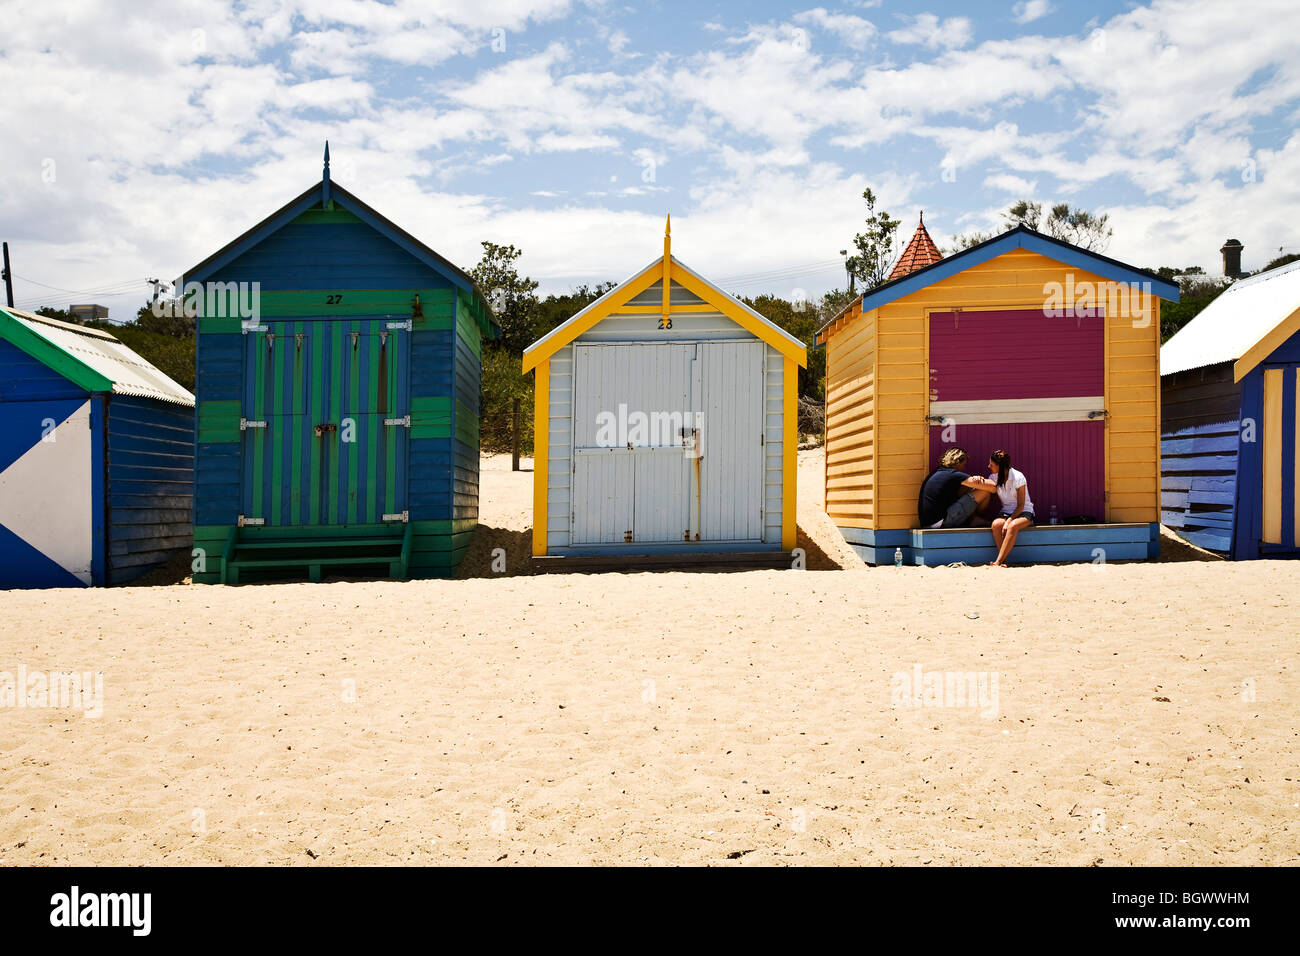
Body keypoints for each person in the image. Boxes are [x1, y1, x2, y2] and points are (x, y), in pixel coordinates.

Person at [917, 447, 997, 529]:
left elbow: (962, 491)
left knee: (968, 489)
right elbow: (993, 487)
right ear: (958, 462)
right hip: (941, 523)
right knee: (984, 492)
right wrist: (981, 480)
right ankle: (974, 519)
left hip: (928, 523)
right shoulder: (953, 474)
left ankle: (974, 519)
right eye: (964, 464)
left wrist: (974, 483)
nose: (964, 468)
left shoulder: (939, 472)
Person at [988, 449, 1035, 567]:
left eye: (992, 465)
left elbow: (1021, 505)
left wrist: (1009, 520)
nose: (988, 466)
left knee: (1013, 526)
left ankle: (998, 561)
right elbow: (984, 485)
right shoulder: (993, 477)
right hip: (1006, 511)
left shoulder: (1018, 477)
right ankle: (1005, 561)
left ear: (1000, 466)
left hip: (1024, 511)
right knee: (996, 524)